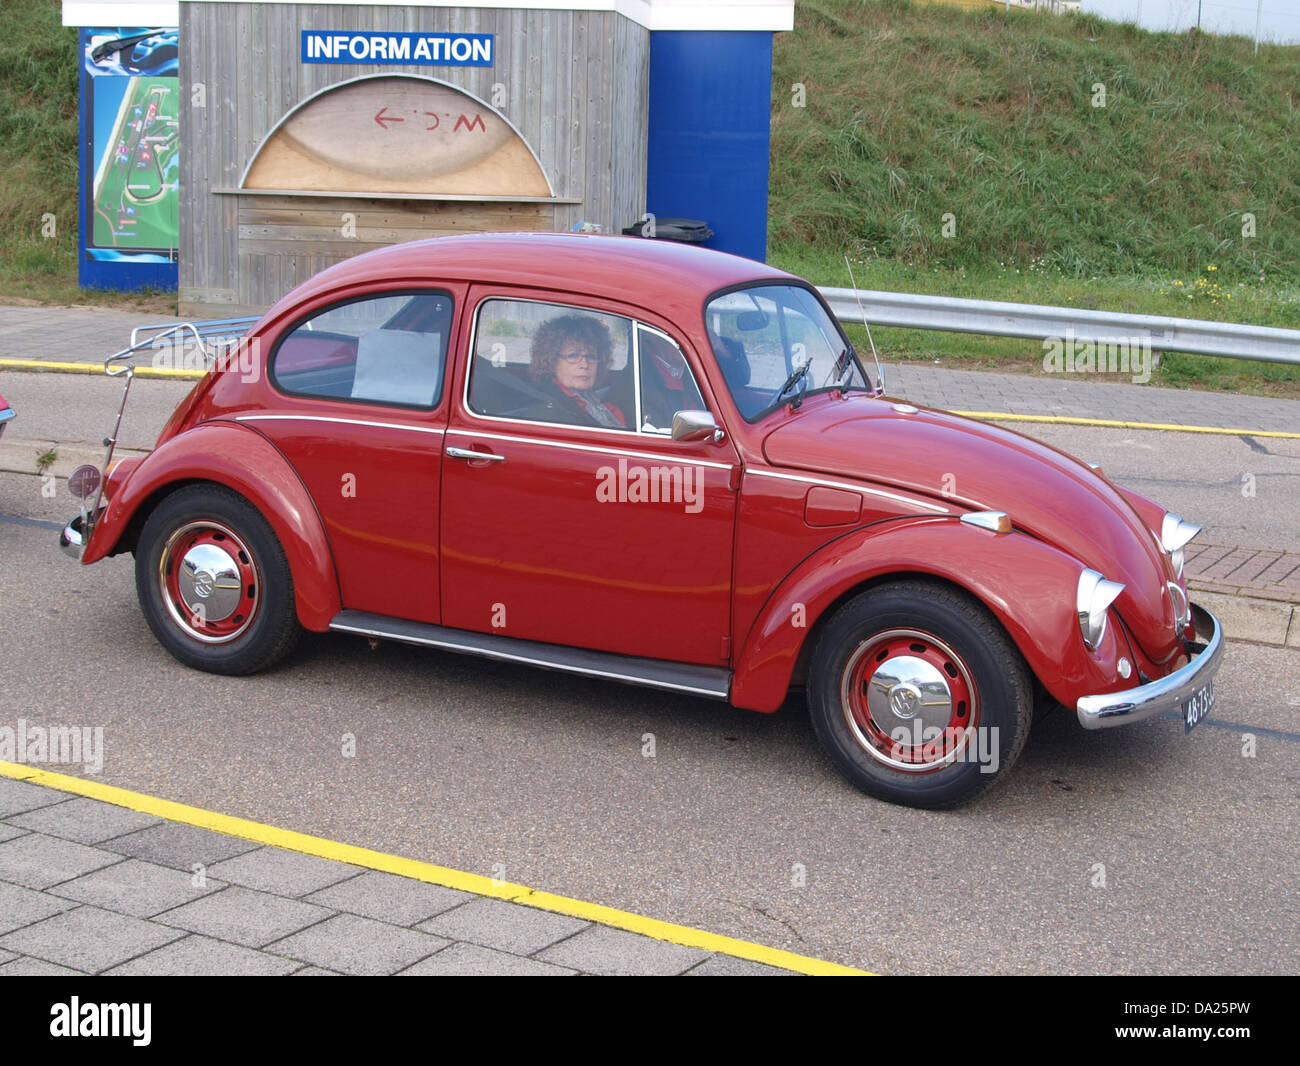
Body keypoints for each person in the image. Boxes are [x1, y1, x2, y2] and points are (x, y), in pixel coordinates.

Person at [525, 314, 628, 429]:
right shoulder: (549, 413)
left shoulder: (600, 405)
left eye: (591, 356)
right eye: (573, 356)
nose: (584, 364)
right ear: (551, 360)